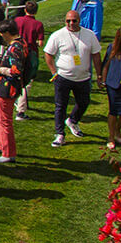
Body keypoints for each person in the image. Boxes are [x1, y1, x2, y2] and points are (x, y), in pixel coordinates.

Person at [43, 8, 102, 147]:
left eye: (73, 21)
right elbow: (48, 53)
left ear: (79, 21)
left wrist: (99, 75)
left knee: (84, 102)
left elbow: (96, 55)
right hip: (63, 77)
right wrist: (53, 72)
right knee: (60, 106)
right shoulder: (58, 35)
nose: (70, 23)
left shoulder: (89, 35)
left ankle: (73, 121)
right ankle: (60, 134)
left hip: (83, 78)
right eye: (68, 21)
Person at [0, 20, 24, 164]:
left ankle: (8, 153)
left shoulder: (16, 47)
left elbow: (16, 71)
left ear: (7, 33)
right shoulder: (16, 45)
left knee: (5, 120)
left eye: (2, 34)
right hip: (4, 87)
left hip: (9, 88)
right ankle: (0, 145)